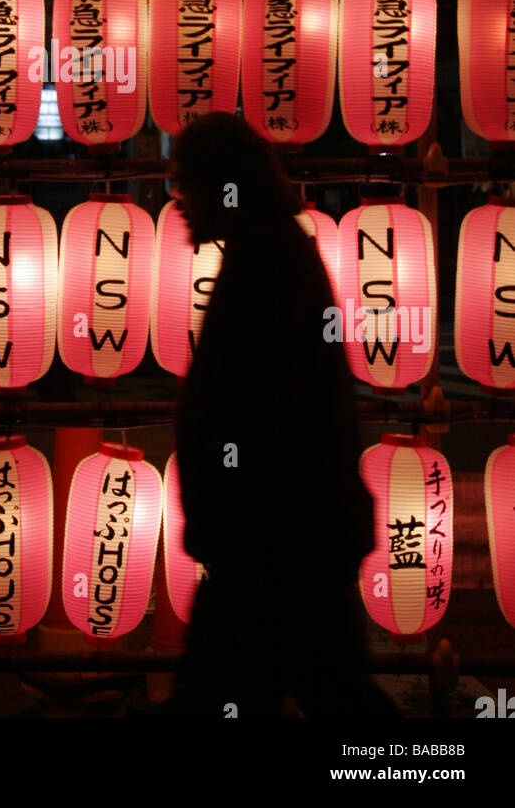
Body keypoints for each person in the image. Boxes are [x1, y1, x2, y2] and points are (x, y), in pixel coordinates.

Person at [166, 112, 379, 719]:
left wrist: (226, 511)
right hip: (286, 541)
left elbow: (260, 415)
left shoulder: (266, 261)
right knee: (330, 691)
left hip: (273, 548)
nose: (178, 200)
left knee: (276, 694)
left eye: (187, 183)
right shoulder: (270, 249)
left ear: (223, 184)